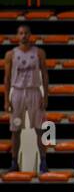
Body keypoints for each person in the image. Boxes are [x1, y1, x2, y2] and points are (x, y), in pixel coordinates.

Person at [3, 25, 50, 173]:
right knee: (15, 130)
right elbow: (7, 78)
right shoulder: (10, 54)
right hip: (17, 94)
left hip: (34, 92)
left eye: (26, 33)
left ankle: (43, 162)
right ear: (17, 36)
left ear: (30, 35)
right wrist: (6, 99)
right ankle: (14, 163)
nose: (24, 36)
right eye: (21, 33)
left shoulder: (39, 53)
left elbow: (45, 75)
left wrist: (45, 95)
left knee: (39, 129)